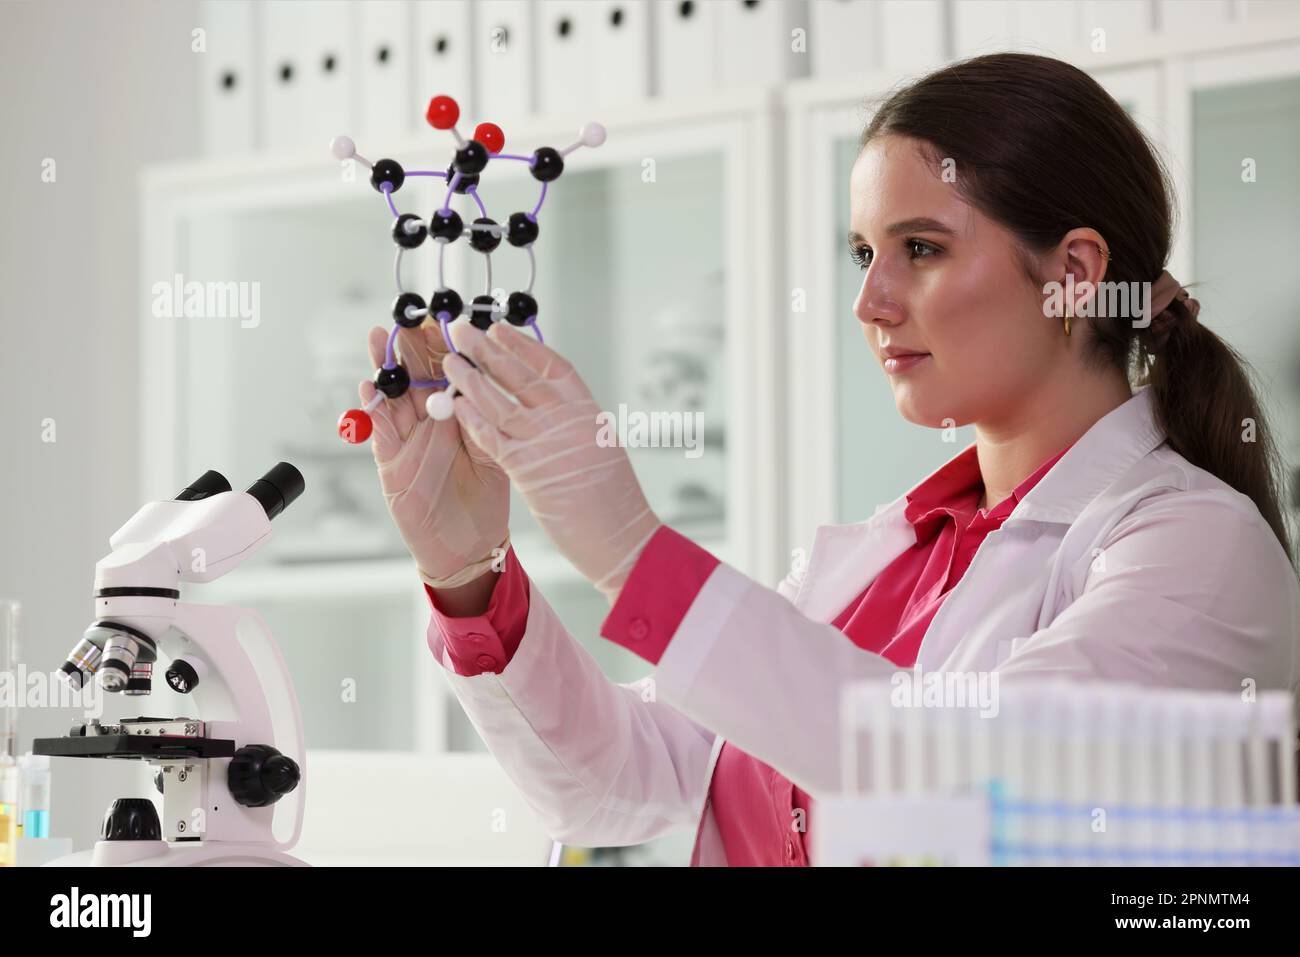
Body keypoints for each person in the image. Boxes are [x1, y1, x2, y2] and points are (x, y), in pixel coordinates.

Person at [362, 53, 1300, 866]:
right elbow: (619, 784)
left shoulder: (1195, 548)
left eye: (921, 248)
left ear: (1075, 273)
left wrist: (634, 555)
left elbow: (967, 771)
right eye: (863, 254)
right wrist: (470, 576)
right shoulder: (885, 558)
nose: (872, 301)